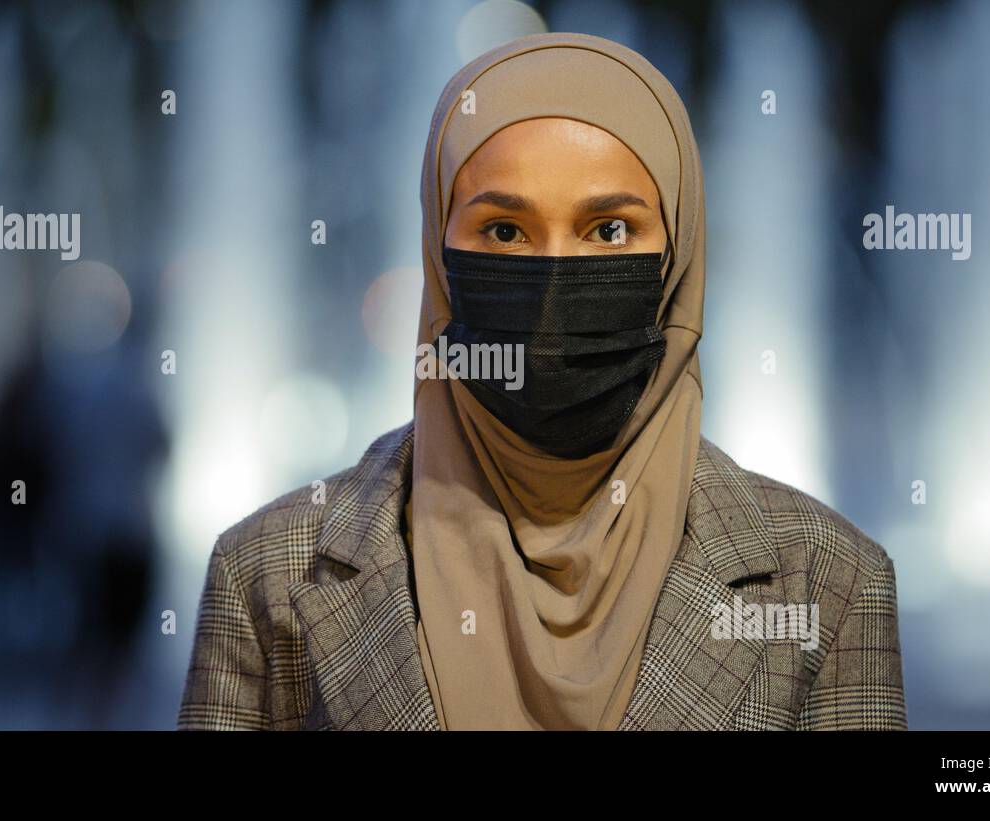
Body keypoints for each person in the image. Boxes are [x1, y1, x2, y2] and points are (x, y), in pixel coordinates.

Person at [177, 31, 906, 731]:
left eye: (609, 230)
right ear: (439, 253)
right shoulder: (268, 572)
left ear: (677, 256)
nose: (554, 276)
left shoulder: (830, 581)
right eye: (503, 231)